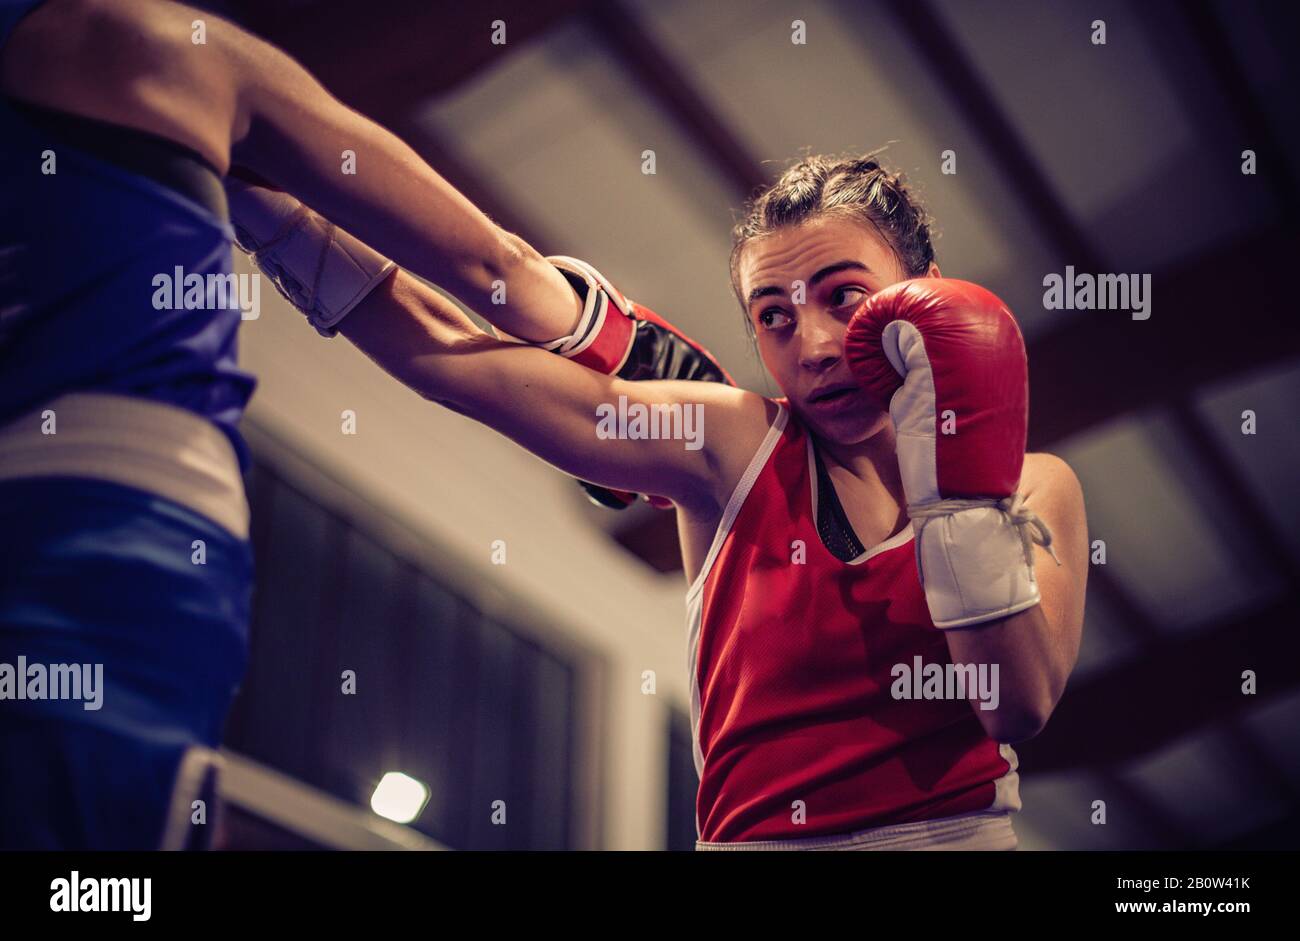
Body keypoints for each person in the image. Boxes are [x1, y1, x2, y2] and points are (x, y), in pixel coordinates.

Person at [230, 151, 1090, 849]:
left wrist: (952, 468)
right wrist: (269, 210)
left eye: (844, 297)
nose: (816, 345)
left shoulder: (1032, 484)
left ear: (924, 289)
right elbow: (457, 362)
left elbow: (1014, 701)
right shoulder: (731, 448)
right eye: (775, 317)